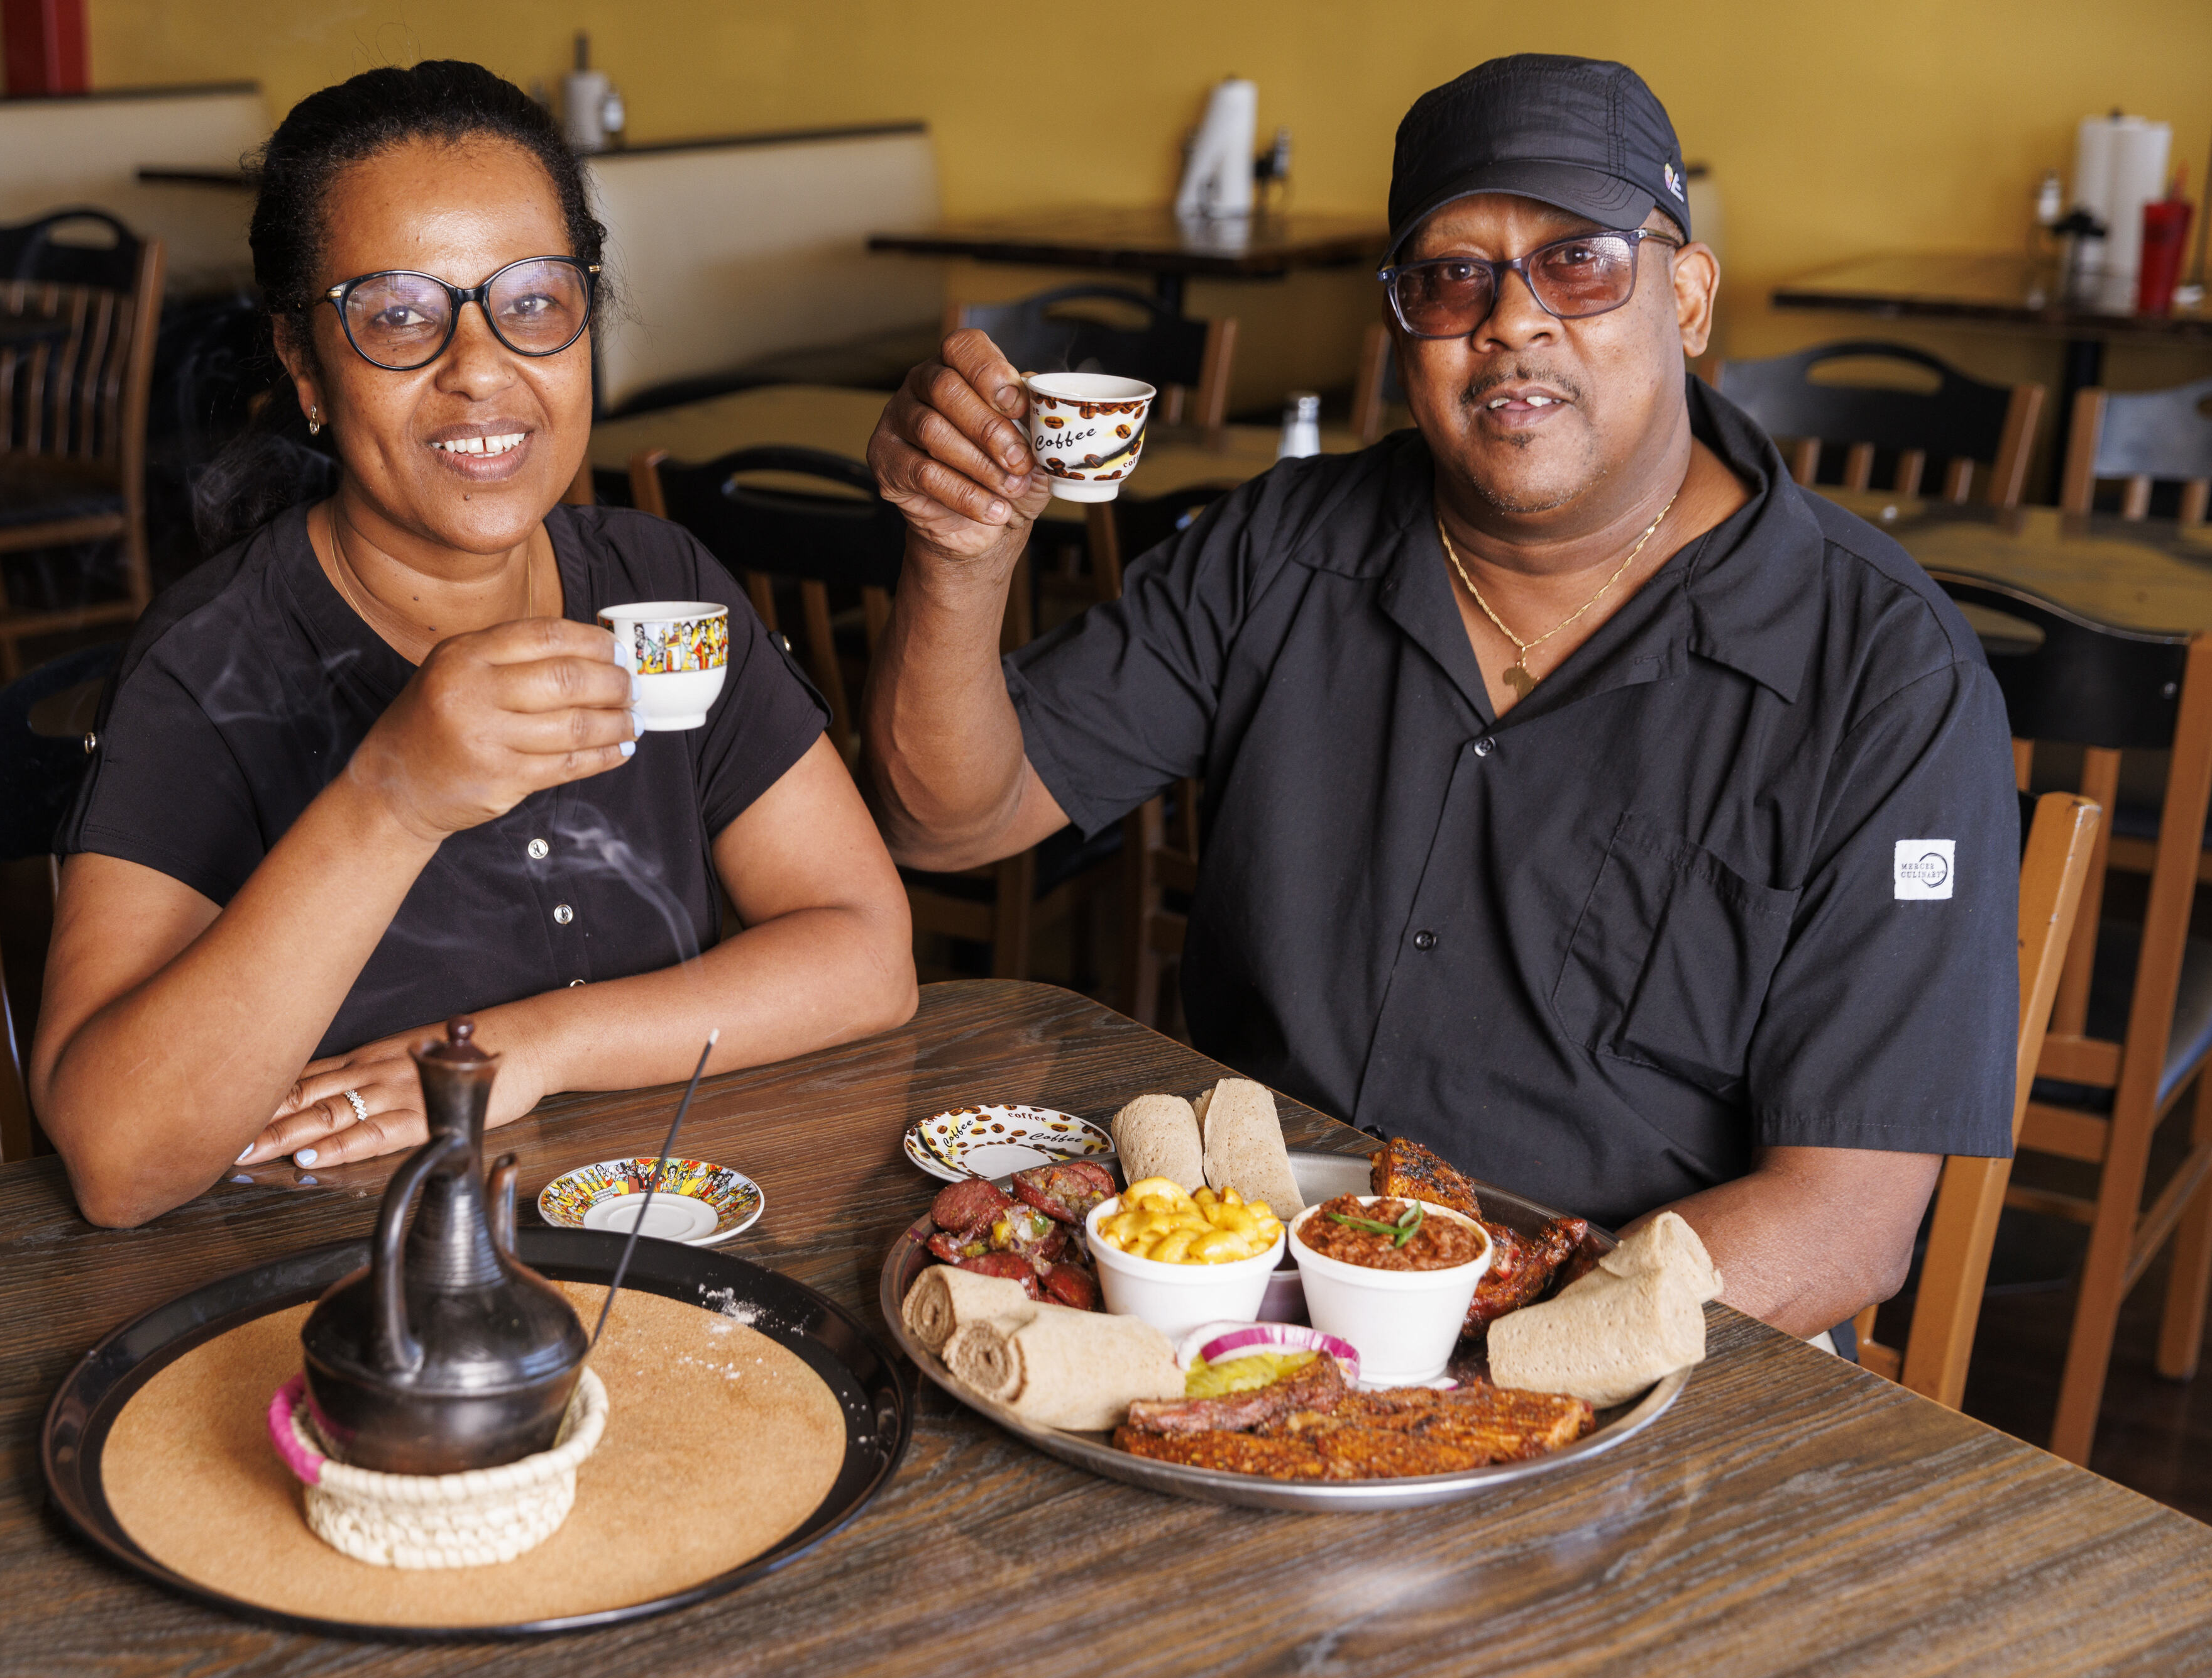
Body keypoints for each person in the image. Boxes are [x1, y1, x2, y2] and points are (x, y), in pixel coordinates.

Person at [861, 54, 2017, 1345]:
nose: (1511, 321)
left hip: (1626, 1355)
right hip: (1237, 1297)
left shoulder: (1883, 677)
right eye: (1450, 278)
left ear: (1687, 298)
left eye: (1579, 263)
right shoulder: (1279, 549)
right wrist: (958, 555)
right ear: (1401, 327)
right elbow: (947, 821)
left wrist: (1458, 1365)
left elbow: (1842, 1223)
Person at [31, 62, 915, 1228]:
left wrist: (527, 1050)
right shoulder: (210, 668)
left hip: (656, 1241)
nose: (482, 369)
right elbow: (120, 1160)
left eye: (534, 301)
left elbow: (867, 956)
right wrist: (393, 797)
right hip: (355, 1276)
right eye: (399, 315)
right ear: (304, 363)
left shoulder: (659, 592)